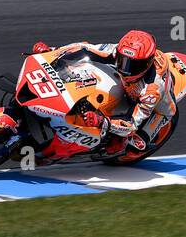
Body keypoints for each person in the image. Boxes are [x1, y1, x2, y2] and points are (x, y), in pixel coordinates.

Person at [28, 29, 171, 156]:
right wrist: (53, 51)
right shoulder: (117, 50)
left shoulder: (152, 90)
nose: (126, 68)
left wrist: (102, 121)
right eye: (123, 61)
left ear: (147, 64)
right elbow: (85, 48)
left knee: (125, 144)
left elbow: (131, 124)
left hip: (157, 108)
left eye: (133, 65)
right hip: (126, 87)